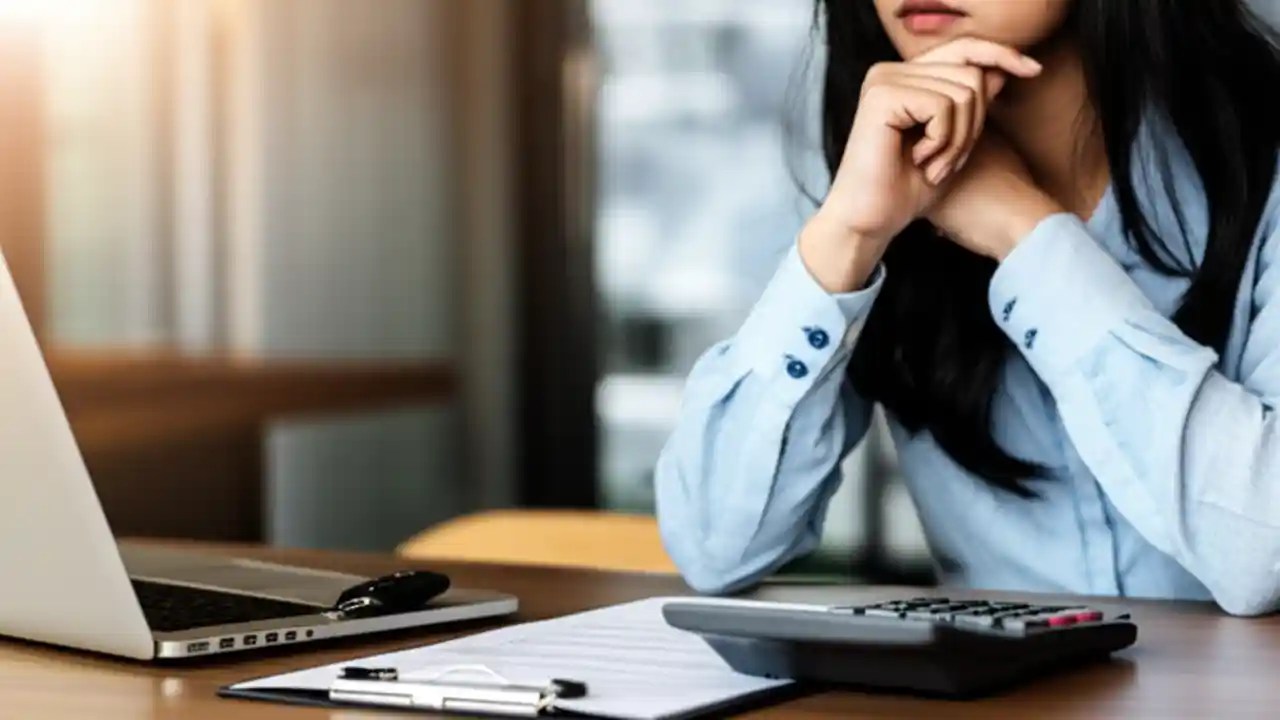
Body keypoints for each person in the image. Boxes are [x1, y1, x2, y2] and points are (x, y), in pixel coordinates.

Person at [654, 0, 1280, 616]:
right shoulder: (870, 178)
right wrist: (851, 234)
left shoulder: (1260, 163)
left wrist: (1022, 230)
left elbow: (1263, 557)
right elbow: (714, 548)